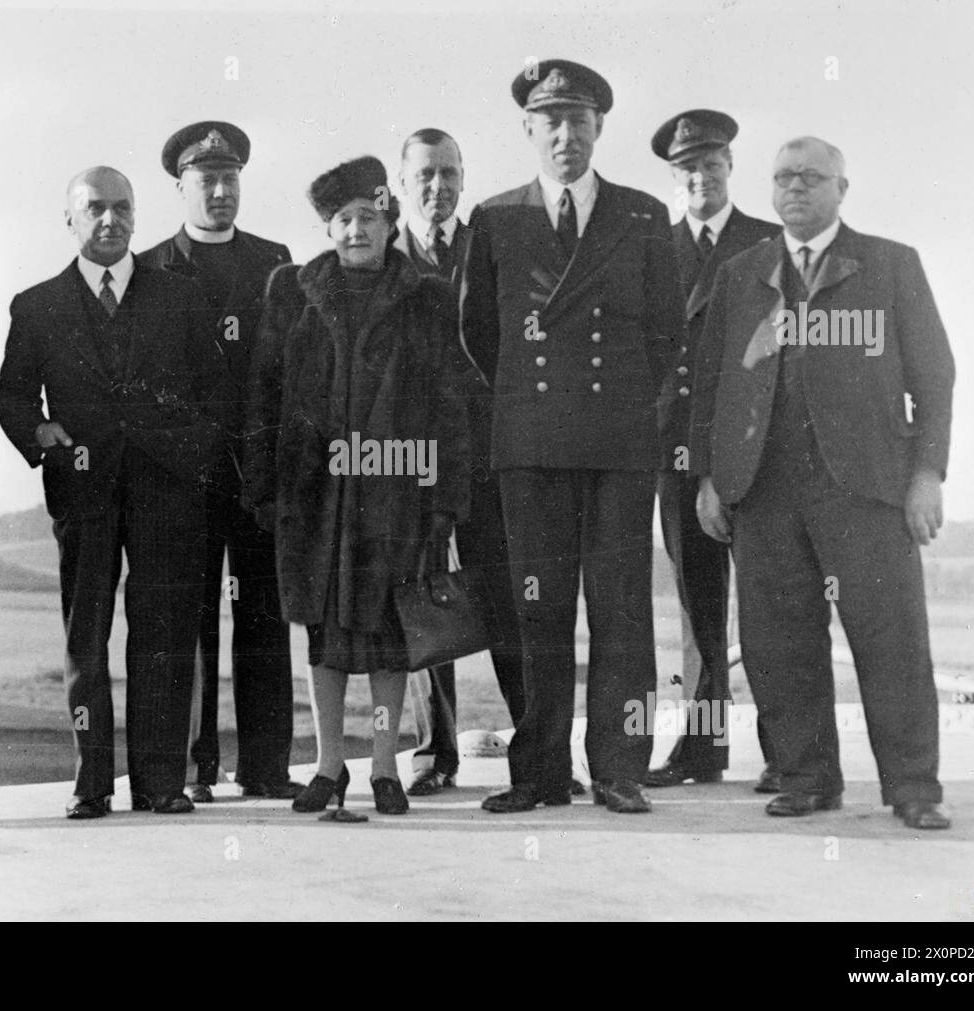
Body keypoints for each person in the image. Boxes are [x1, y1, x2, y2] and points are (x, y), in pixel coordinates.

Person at [690, 137, 955, 830]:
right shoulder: (740, 274)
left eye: (812, 177)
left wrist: (927, 473)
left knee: (890, 638)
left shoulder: (891, 265)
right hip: (766, 486)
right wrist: (712, 477)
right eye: (783, 177)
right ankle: (808, 777)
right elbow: (713, 381)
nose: (796, 188)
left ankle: (914, 787)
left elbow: (935, 376)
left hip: (867, 488)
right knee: (779, 642)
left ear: (843, 187)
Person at [464, 60, 684, 814]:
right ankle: (539, 773)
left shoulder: (644, 215)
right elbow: (478, 333)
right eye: (550, 122)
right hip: (530, 445)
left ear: (599, 129)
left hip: (620, 443)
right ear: (529, 130)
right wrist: (525, 405)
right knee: (538, 609)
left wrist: (627, 402)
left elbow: (666, 329)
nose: (566, 136)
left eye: (579, 122)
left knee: (621, 608)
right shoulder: (495, 219)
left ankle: (620, 767)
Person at [0, 167, 226, 819]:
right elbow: (12, 395)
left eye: (122, 208)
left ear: (136, 216)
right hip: (82, 488)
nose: (109, 219)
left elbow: (216, 390)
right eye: (94, 208)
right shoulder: (36, 306)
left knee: (164, 632)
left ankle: (160, 781)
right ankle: (90, 780)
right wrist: (42, 433)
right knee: (85, 633)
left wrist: (193, 453)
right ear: (69, 219)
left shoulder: (179, 297)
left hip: (166, 491)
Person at [245, 156, 471, 816]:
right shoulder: (291, 292)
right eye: (341, 220)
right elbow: (264, 396)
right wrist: (266, 489)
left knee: (387, 635)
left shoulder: (425, 297)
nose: (354, 231)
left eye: (367, 218)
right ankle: (327, 766)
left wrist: (445, 501)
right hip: (317, 498)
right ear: (328, 228)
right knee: (324, 633)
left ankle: (383, 769)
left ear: (388, 222)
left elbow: (450, 404)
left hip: (397, 495)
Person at [141, 121, 299, 804]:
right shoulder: (150, 269)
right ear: (181, 187)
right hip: (184, 477)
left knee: (264, 616)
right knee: (190, 618)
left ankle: (265, 765)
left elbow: (291, 367)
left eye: (230, 178)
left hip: (258, 473)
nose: (220, 191)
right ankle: (196, 766)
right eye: (206, 180)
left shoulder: (275, 262)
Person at [645, 109, 781, 792]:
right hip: (676, 449)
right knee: (699, 605)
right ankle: (703, 749)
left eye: (711, 164)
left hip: (755, 450)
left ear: (731, 167)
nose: (700, 177)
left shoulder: (770, 242)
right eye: (687, 168)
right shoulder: (656, 249)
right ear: (674, 178)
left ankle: (786, 750)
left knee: (766, 598)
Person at [393, 127, 526, 798]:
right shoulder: (382, 257)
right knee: (424, 598)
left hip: (488, 458)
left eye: (449, 173)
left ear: (464, 178)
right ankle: (433, 751)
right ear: (403, 181)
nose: (438, 187)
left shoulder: (491, 245)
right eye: (425, 175)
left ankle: (533, 745)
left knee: (507, 595)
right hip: (415, 462)